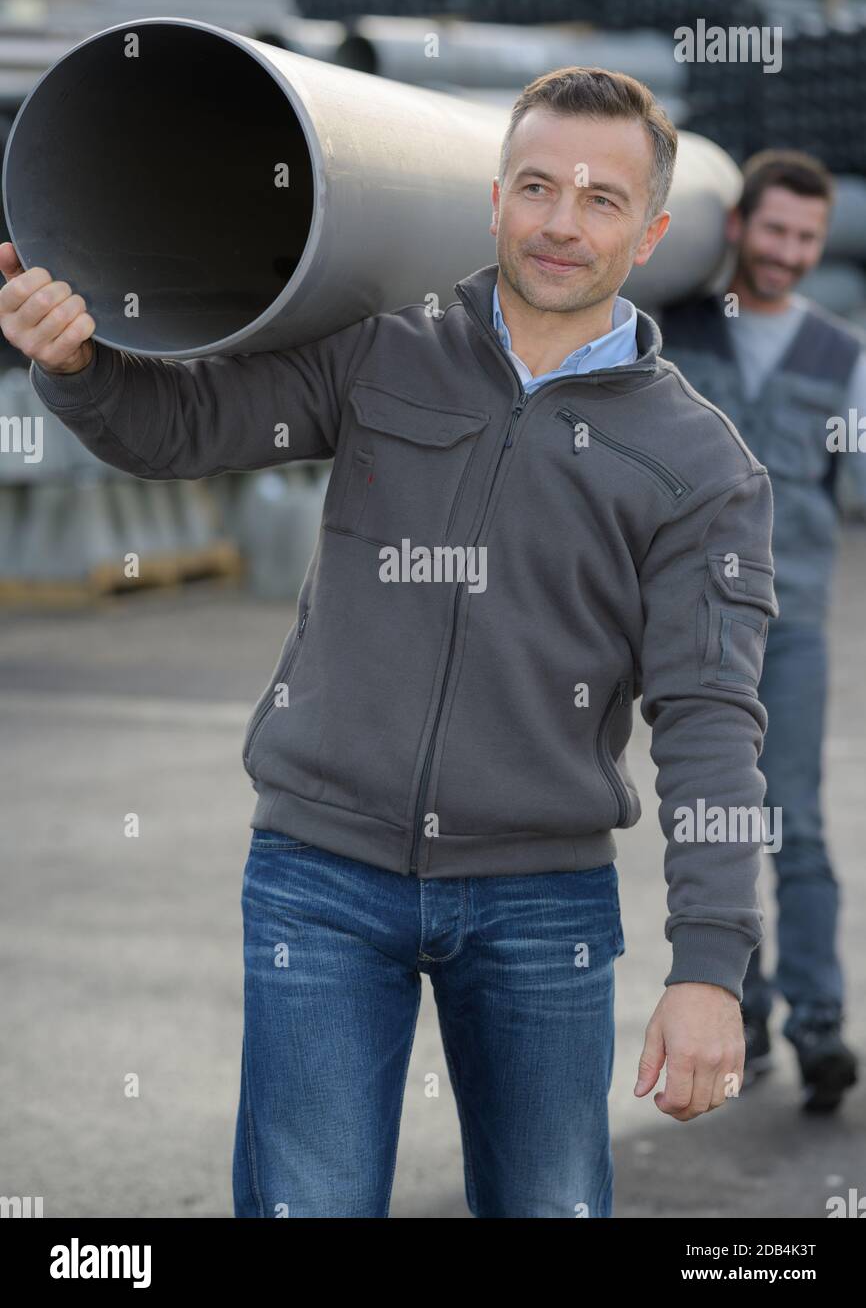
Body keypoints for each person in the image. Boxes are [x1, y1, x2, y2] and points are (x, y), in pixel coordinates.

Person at [2, 67, 779, 1218]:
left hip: (539, 901)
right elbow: (183, 423)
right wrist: (72, 367)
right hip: (320, 878)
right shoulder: (381, 351)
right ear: (493, 200)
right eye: (535, 186)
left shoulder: (701, 464)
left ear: (651, 231)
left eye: (601, 199)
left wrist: (711, 966)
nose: (561, 222)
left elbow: (711, 719)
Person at [658, 150, 862, 1113]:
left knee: (800, 825)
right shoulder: (672, 330)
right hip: (683, 624)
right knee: (711, 821)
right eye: (773, 231)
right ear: (737, 227)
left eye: (806, 239)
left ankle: (820, 1024)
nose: (787, 253)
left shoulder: (842, 357)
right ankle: (740, 1015)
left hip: (792, 627)